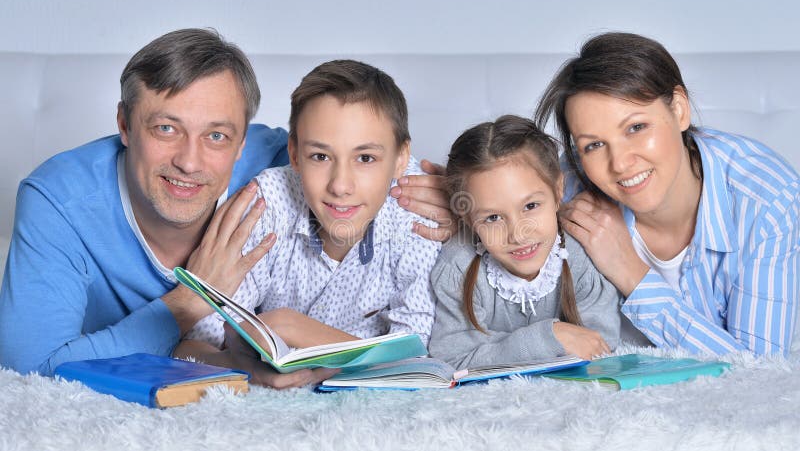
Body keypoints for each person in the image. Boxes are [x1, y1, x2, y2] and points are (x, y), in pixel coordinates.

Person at [0, 29, 450, 387]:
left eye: (217, 135)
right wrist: (189, 303)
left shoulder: (279, 164)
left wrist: (457, 201)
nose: (190, 161)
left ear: (242, 140)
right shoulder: (56, 200)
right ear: (124, 124)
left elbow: (366, 154)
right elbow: (28, 369)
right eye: (165, 128)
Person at [535, 32, 800, 356]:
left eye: (636, 128)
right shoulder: (568, 191)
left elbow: (761, 368)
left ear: (679, 110)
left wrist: (630, 271)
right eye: (594, 145)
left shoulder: (767, 201)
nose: (619, 164)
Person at [174, 60, 441, 363]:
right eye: (320, 156)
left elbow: (416, 361)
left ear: (400, 159)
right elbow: (194, 343)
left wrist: (291, 327)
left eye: (365, 158)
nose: (340, 185)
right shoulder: (268, 203)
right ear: (295, 155)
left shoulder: (422, 214)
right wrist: (240, 363)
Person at [427, 115, 620, 369]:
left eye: (530, 206)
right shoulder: (458, 268)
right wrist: (550, 337)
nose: (517, 234)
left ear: (558, 189)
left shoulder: (581, 255)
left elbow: (601, 344)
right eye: (493, 217)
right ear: (467, 217)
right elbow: (453, 359)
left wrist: (495, 349)